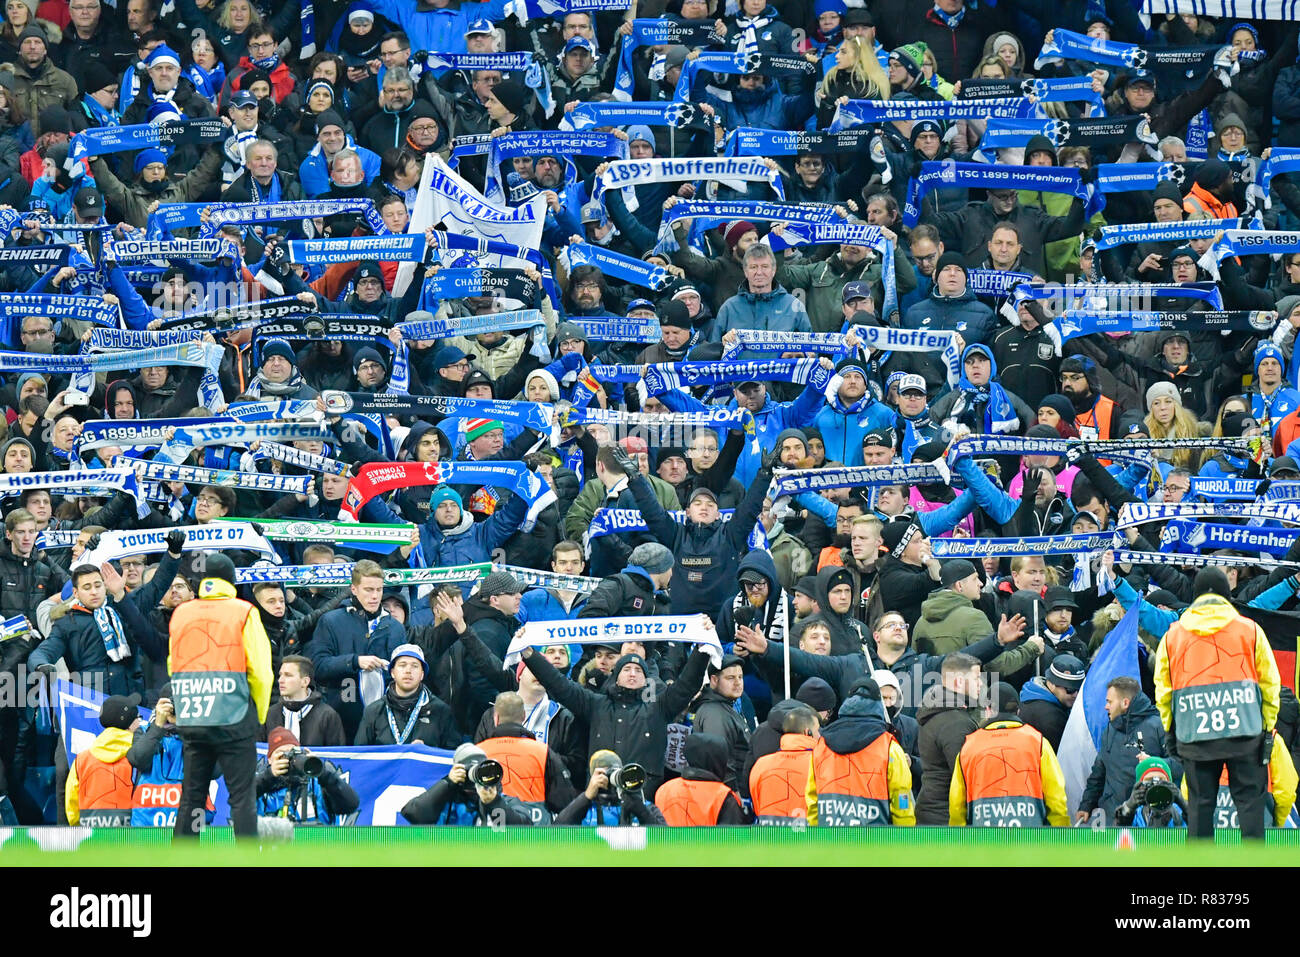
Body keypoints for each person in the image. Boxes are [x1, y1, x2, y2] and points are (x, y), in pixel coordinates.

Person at [1154, 567, 1282, 840]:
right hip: (1245, 734)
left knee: (1200, 809)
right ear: (1226, 595)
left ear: (1196, 595)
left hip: (1195, 736)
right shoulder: (1251, 630)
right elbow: (1270, 684)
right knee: (1250, 808)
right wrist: (1267, 726)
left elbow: (1163, 690)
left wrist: (1170, 729)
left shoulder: (1173, 636)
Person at [168, 553, 273, 841]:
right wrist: (259, 716)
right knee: (242, 798)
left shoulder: (181, 613)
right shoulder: (243, 611)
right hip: (234, 717)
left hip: (193, 716)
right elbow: (262, 672)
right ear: (232, 581)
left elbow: (172, 665)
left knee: (191, 798)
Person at [519, 642, 712, 798]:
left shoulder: (659, 707)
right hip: (600, 796)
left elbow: (687, 685)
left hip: (645, 796)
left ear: (646, 680)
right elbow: (559, 684)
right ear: (616, 677)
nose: (633, 674)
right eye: (627, 669)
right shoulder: (595, 704)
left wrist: (702, 650)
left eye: (638, 670)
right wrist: (529, 654)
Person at [949, 681, 1069, 826]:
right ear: (1018, 710)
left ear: (987, 710)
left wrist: (959, 837)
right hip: (1030, 841)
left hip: (983, 843)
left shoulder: (969, 747)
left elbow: (956, 804)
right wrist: (1060, 831)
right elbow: (1056, 796)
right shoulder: (1038, 742)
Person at [807, 679, 914, 826]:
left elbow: (812, 799)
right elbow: (901, 797)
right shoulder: (889, 747)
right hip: (875, 843)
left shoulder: (821, 745)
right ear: (879, 706)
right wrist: (904, 836)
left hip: (830, 840)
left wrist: (815, 832)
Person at [1076, 676, 1174, 825]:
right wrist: (1087, 804)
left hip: (1149, 820)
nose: (1106, 707)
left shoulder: (1159, 726)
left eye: (1109, 702)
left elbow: (1180, 765)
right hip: (1113, 818)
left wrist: (1154, 763)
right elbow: (1099, 771)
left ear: (1125, 703)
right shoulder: (1109, 729)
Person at [477, 691, 576, 824]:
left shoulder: (479, 752)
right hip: (534, 835)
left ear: (496, 718)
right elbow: (564, 800)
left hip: (491, 831)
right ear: (523, 716)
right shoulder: (543, 751)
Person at [353, 644, 458, 748]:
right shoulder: (373, 711)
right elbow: (359, 756)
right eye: (402, 665)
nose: (408, 671)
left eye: (415, 666)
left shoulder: (441, 711)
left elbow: (453, 757)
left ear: (422, 674)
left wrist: (428, 751)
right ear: (393, 672)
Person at [256, 726, 361, 825]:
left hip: (316, 842)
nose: (288, 759)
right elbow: (241, 801)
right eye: (282, 754)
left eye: (292, 753)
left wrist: (322, 773)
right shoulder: (261, 784)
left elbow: (351, 805)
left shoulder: (317, 784)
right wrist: (269, 776)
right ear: (270, 759)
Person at [66, 694, 141, 826]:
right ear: (130, 724)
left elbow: (71, 805)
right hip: (131, 837)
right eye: (138, 718)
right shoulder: (140, 756)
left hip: (91, 838)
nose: (140, 722)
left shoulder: (81, 759)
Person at [654, 733, 748, 826]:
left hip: (666, 841)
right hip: (708, 841)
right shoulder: (723, 796)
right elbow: (732, 838)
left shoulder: (664, 790)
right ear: (720, 759)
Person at [748, 704, 819, 825]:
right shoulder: (819, 763)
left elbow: (756, 803)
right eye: (817, 730)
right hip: (807, 839)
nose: (819, 735)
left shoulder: (761, 764)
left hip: (768, 838)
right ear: (808, 732)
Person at [554, 750, 666, 826]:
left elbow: (666, 839)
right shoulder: (585, 808)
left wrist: (640, 810)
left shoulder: (641, 805)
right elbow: (556, 830)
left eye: (615, 772)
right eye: (604, 773)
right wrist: (586, 796)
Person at [263, 655, 347, 748]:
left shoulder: (327, 716)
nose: (280, 680)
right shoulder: (271, 713)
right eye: (280, 675)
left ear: (305, 682)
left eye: (288, 675)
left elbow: (337, 757)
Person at [1017, 654, 1085, 752]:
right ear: (1052, 684)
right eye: (1070, 689)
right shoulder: (1051, 718)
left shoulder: (1031, 694)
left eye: (1079, 690)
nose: (1075, 694)